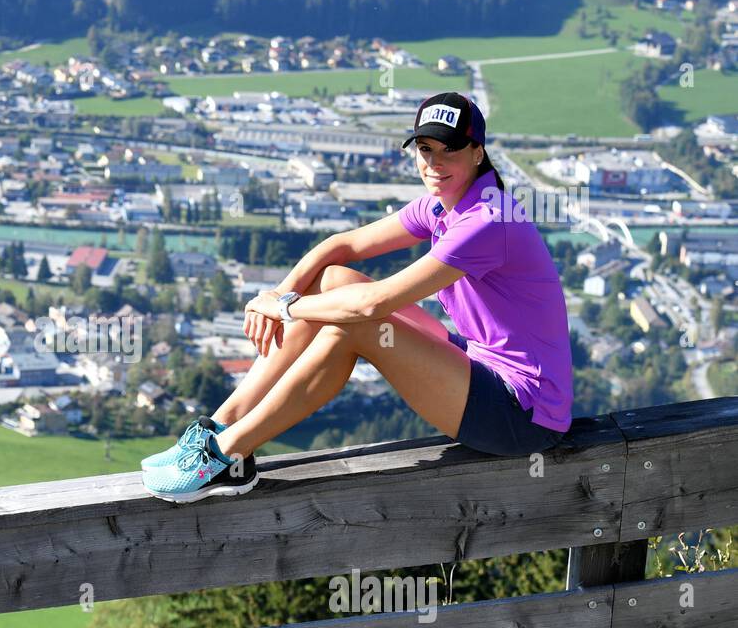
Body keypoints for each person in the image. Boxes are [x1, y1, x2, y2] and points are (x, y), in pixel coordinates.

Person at [141, 91, 573, 503]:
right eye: (425, 149)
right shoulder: (444, 205)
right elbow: (341, 246)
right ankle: (222, 423)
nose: (435, 163)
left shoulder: (486, 220)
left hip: (521, 413)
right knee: (336, 278)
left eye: (450, 150)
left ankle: (229, 454)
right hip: (477, 360)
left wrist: (284, 307)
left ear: (478, 152)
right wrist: (277, 293)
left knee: (357, 326)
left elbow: (373, 305)